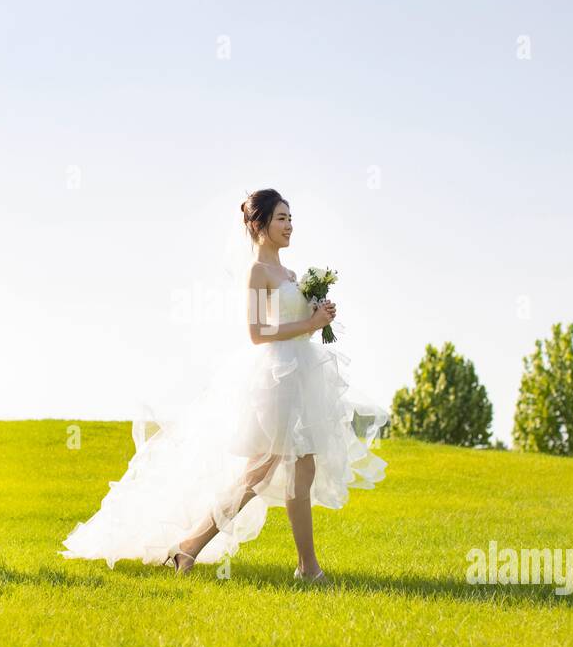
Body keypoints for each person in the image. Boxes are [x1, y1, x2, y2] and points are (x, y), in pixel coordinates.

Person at [61, 189, 388, 583]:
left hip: (300, 375)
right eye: (281, 218)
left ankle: (289, 564)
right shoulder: (258, 272)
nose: (289, 225)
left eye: (290, 218)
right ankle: (208, 550)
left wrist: (320, 316)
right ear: (259, 225)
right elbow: (257, 333)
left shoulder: (292, 276)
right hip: (276, 379)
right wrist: (309, 323)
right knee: (261, 470)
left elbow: (296, 328)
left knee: (301, 469)